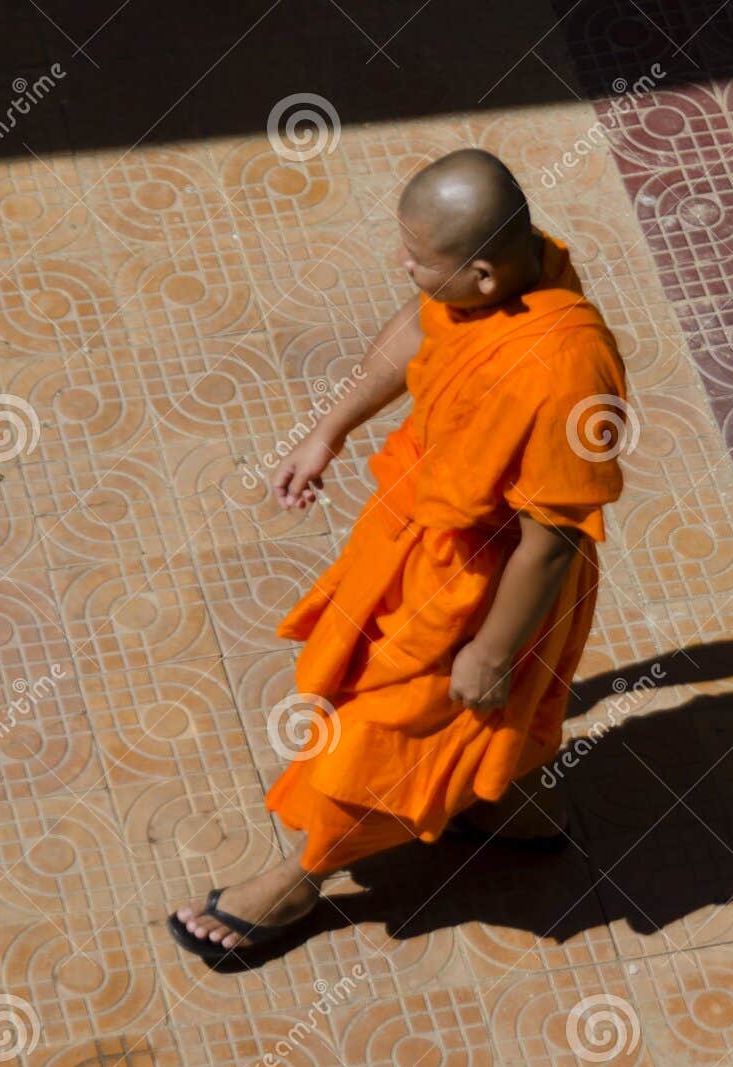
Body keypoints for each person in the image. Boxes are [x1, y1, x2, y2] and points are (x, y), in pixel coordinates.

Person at [168, 148, 628, 962]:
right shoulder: (508, 273)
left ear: (484, 273)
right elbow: (419, 326)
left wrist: (491, 651)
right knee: (480, 724)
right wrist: (327, 431)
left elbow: (553, 539)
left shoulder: (567, 370)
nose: (404, 266)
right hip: (424, 545)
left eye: (420, 258)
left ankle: (301, 876)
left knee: (381, 729)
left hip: (494, 586)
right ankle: (512, 807)